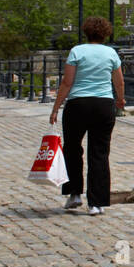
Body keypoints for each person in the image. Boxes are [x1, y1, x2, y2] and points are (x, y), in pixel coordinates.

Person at [49, 16, 125, 215]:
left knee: (72, 149)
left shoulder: (77, 51)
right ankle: (96, 203)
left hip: (78, 104)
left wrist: (56, 107)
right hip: (103, 104)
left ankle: (74, 193)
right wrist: (120, 100)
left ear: (86, 32)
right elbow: (119, 82)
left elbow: (67, 82)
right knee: (99, 152)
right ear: (105, 33)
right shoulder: (111, 53)